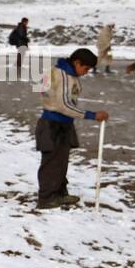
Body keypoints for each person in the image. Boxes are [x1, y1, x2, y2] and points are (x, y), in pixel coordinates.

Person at [35, 47, 109, 211]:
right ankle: (46, 198)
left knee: (61, 161)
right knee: (52, 163)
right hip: (52, 124)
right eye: (85, 68)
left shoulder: (66, 74)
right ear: (76, 62)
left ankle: (59, 193)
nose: (86, 72)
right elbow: (62, 105)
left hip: (63, 124)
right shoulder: (61, 75)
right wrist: (91, 115)